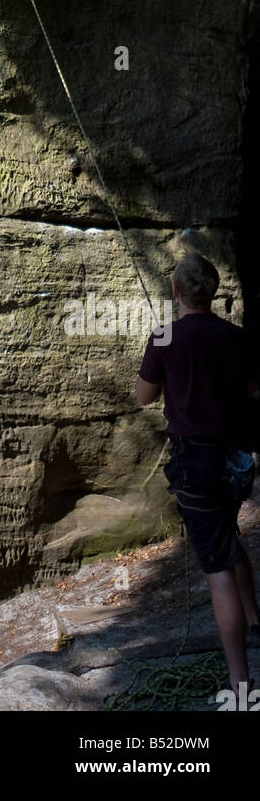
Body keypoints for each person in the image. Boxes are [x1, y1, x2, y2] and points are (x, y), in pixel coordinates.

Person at [135, 253, 260, 697]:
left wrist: (171, 366)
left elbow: (144, 396)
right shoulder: (236, 336)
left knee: (218, 566)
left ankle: (240, 685)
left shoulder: (165, 335)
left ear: (176, 292)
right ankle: (254, 619)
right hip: (236, 462)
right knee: (228, 536)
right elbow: (250, 389)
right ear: (213, 292)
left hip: (196, 467)